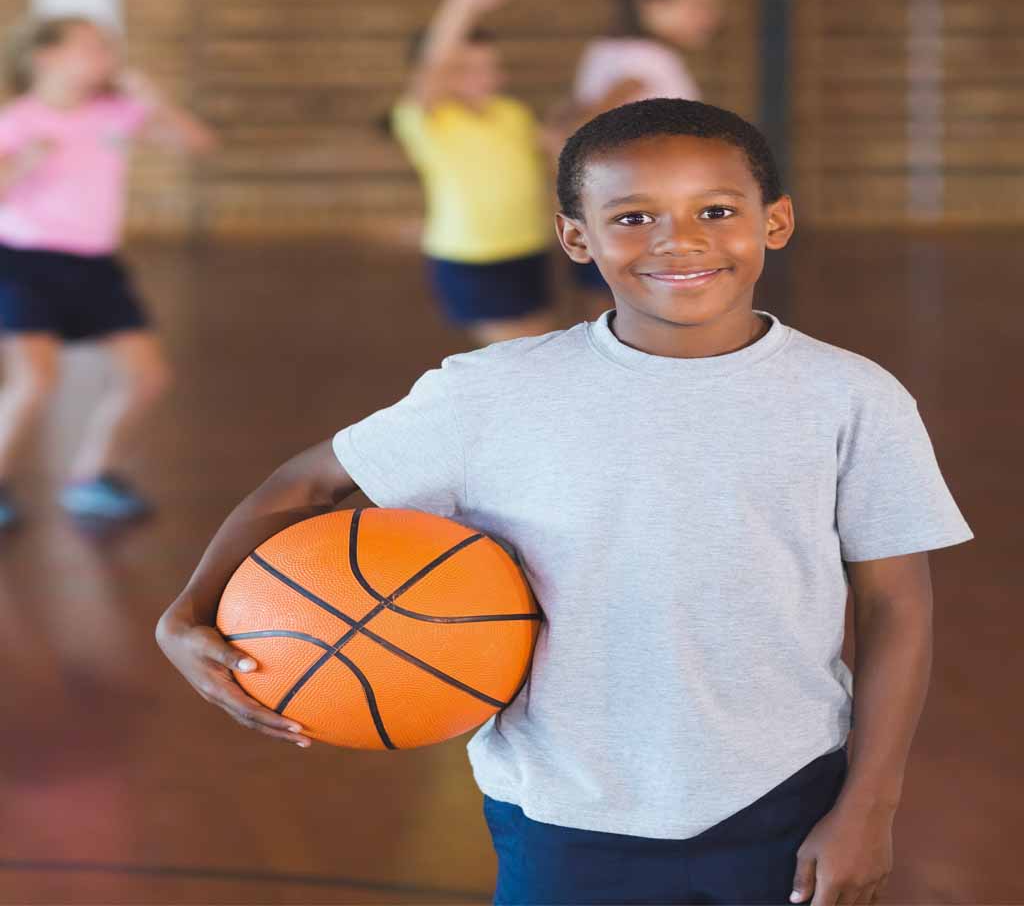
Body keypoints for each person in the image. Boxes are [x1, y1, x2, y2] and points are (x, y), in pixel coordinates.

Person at [157, 98, 973, 906]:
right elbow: (308, 485)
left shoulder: (852, 398)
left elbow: (896, 606)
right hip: (563, 810)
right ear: (576, 237)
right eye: (633, 218)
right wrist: (188, 611)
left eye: (717, 211)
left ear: (776, 220)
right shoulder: (494, 391)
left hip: (786, 795)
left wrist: (870, 805)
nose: (679, 239)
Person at [0, 16, 217, 527]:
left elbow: (198, 143)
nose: (107, 58)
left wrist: (156, 101)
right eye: (91, 48)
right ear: (45, 57)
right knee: (35, 383)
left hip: (96, 264)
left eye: (108, 48)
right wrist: (21, 165)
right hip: (26, 262)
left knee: (148, 378)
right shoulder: (18, 120)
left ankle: (91, 477)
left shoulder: (116, 113)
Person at [546, 0, 724, 318]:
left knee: (609, 305)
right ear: (650, 4)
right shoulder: (647, 59)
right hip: (639, 209)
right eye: (697, 5)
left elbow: (571, 114)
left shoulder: (607, 49)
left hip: (612, 204)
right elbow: (579, 124)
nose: (710, 17)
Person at [390, 0, 556, 346]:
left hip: (528, 245)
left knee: (541, 344)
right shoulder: (426, 119)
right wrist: (461, 4)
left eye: (490, 66)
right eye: (465, 69)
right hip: (472, 255)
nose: (484, 77)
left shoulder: (512, 112)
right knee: (511, 356)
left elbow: (558, 149)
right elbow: (433, 67)